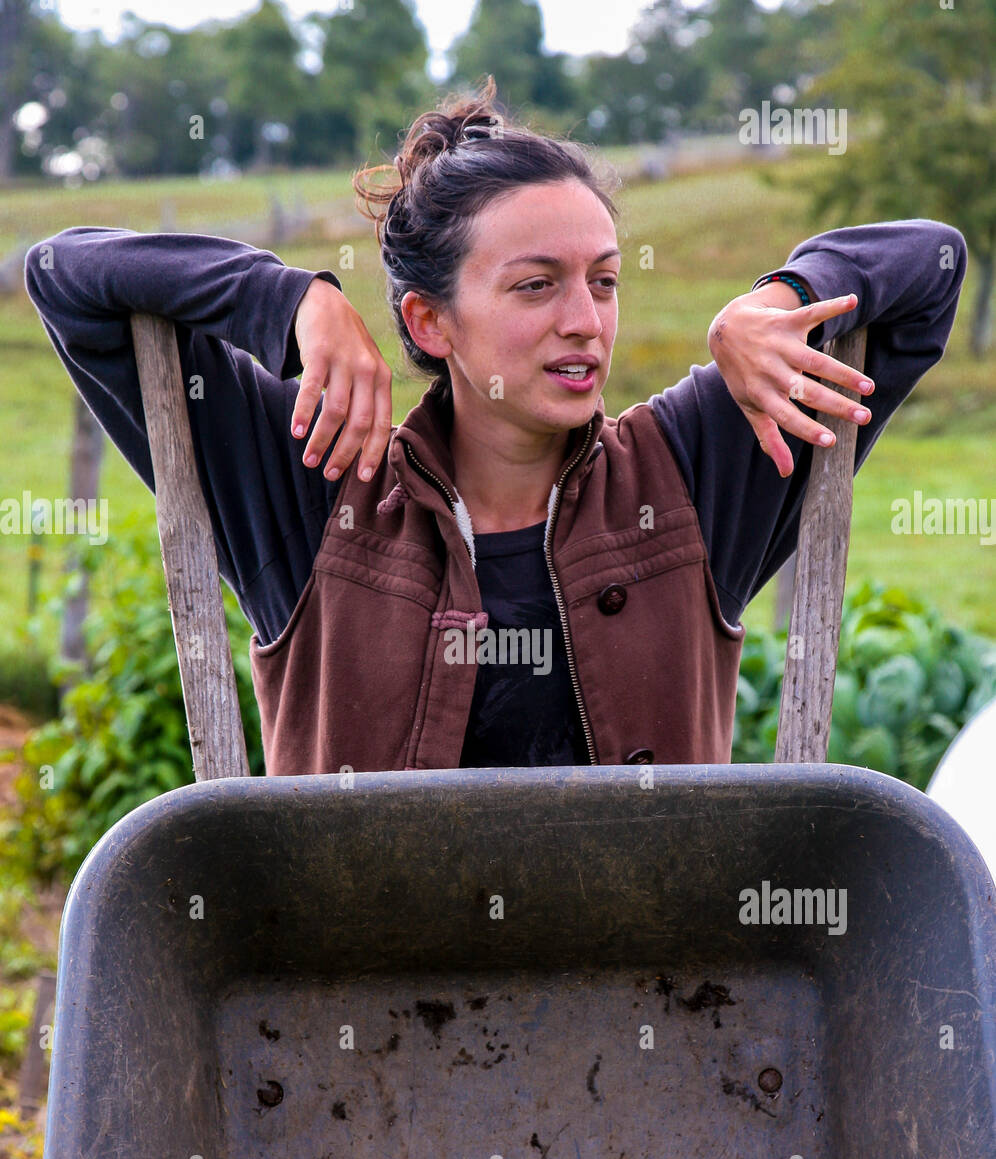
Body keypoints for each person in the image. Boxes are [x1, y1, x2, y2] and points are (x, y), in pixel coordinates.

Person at [25, 78, 966, 775]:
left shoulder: (693, 473)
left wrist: (781, 297)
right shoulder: (315, 480)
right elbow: (68, 277)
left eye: (603, 280)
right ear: (429, 321)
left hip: (658, 1014)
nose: (584, 321)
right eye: (535, 285)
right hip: (365, 1026)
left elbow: (929, 262)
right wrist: (289, 303)